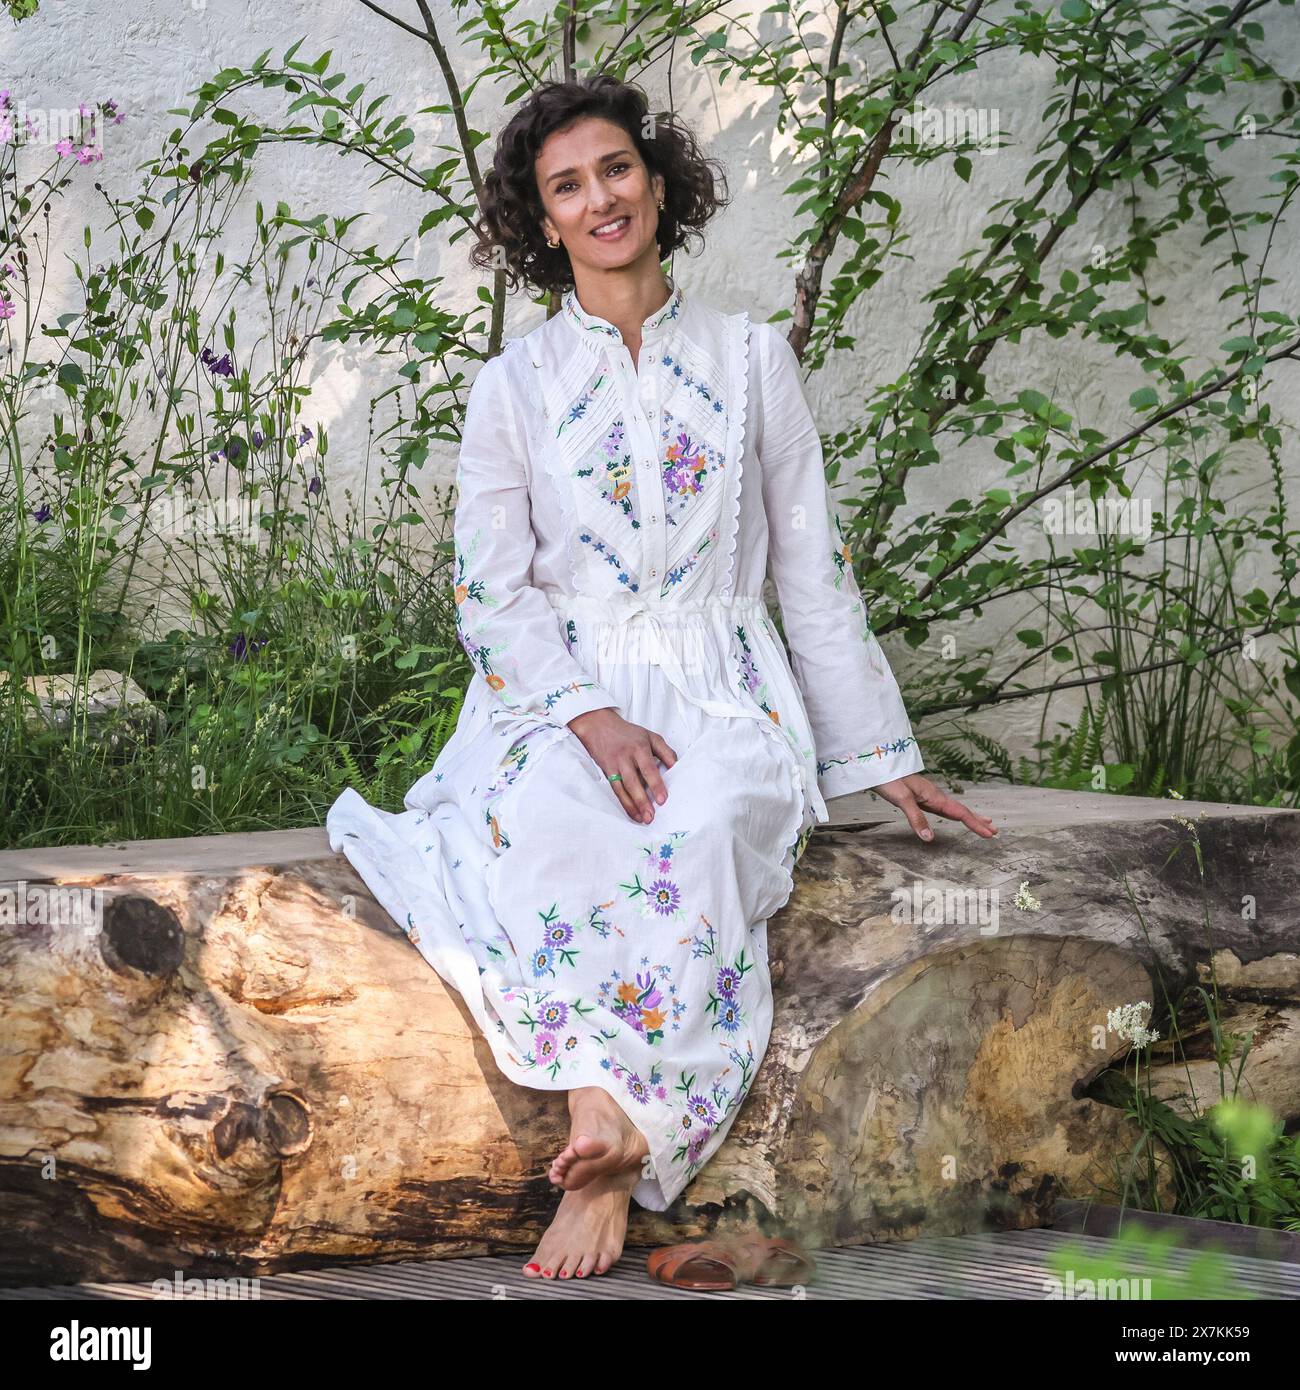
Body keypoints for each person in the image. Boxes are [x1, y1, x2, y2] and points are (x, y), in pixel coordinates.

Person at [326, 74, 996, 1285]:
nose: (599, 200)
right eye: (566, 185)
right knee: (539, 822)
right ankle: (606, 1115)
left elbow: (810, 567)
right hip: (556, 690)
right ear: (539, 221)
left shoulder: (751, 361)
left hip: (722, 684)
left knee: (700, 833)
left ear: (658, 179)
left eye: (616, 170)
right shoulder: (512, 389)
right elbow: (490, 596)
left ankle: (618, 1147)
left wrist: (883, 756)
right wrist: (584, 713)